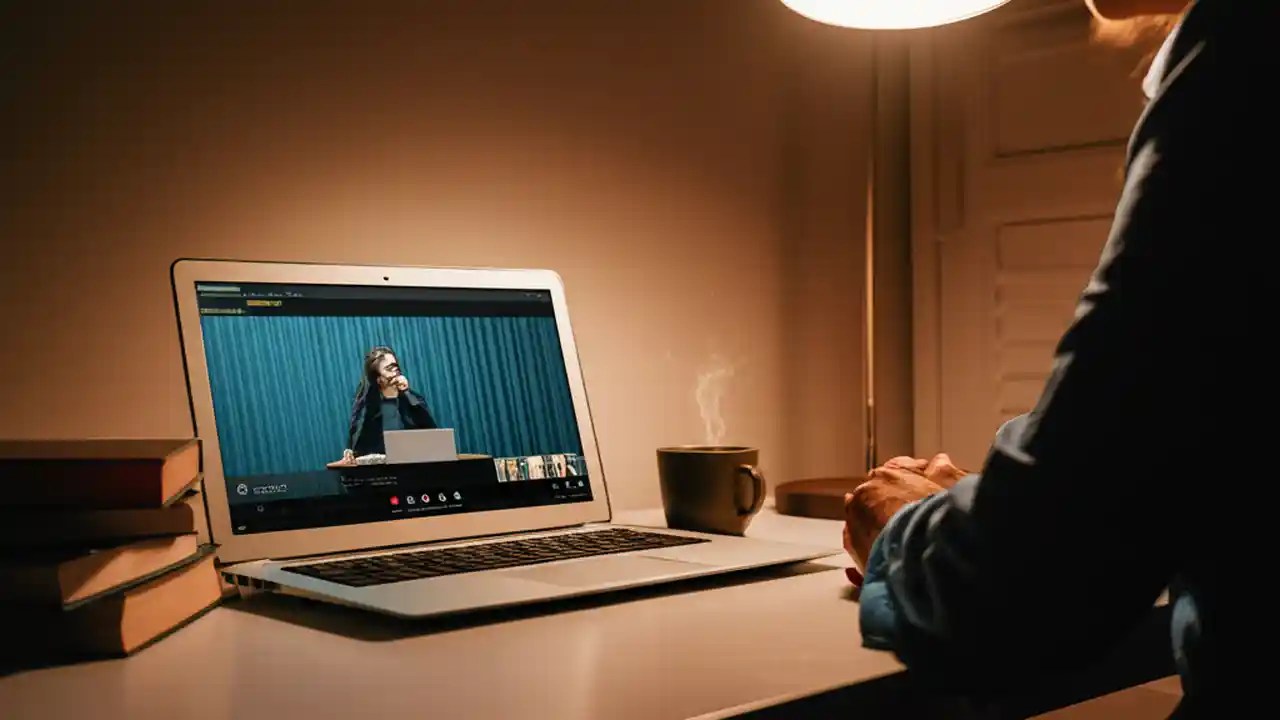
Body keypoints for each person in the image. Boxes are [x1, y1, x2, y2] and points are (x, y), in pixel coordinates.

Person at [841, 0, 1262, 715]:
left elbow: (1029, 586)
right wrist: (1009, 499)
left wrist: (906, 527)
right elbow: (1166, 465)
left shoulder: (1243, 58)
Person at [345, 346, 438, 458]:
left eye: (396, 367)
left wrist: (407, 394)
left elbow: (432, 433)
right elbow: (358, 444)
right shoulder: (367, 406)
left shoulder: (413, 399)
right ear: (379, 379)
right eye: (389, 368)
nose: (396, 371)